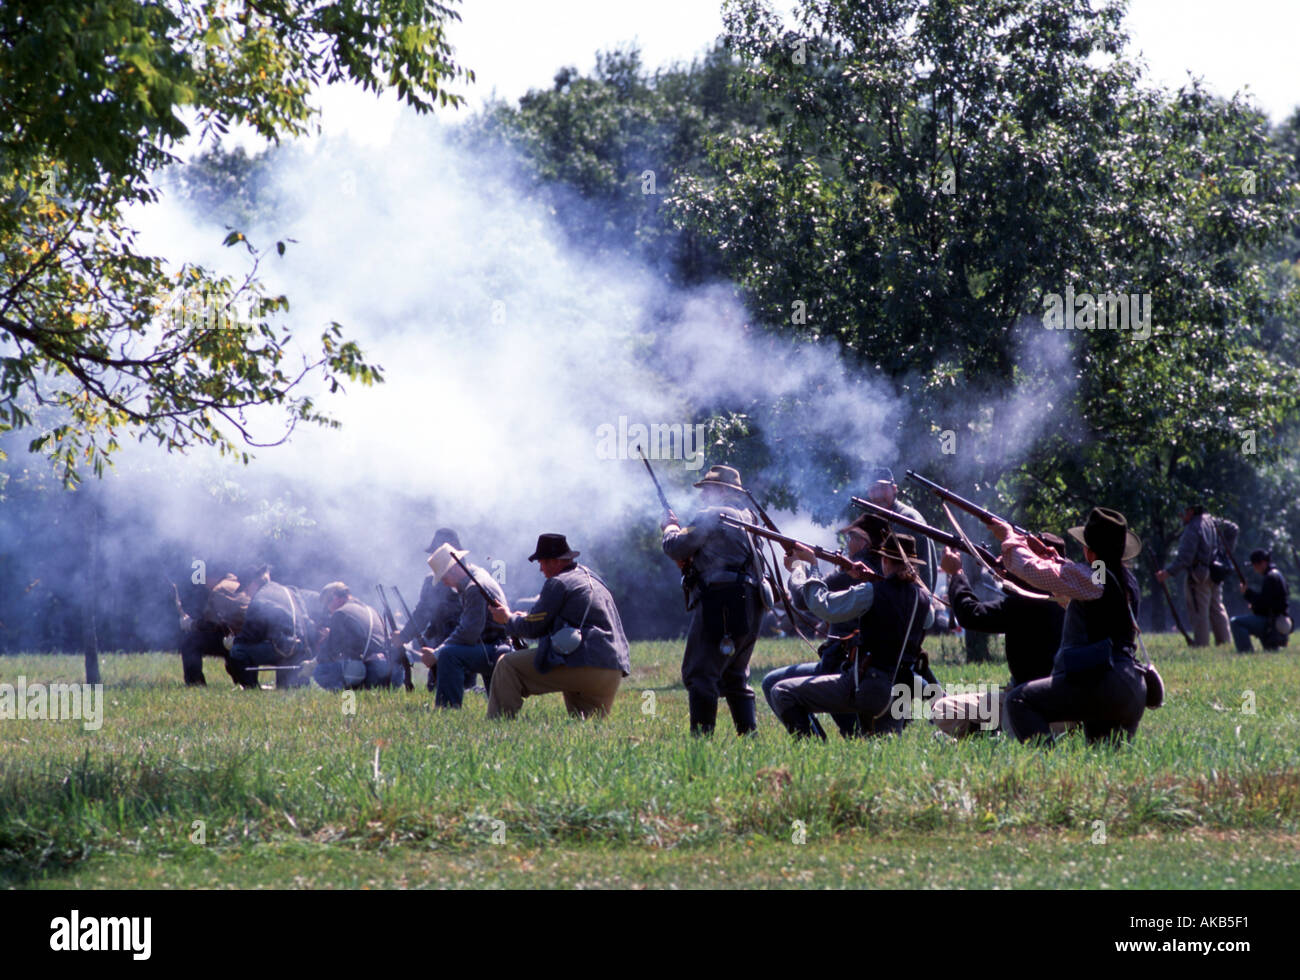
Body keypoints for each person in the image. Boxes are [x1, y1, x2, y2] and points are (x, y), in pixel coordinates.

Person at [998, 508, 1148, 744]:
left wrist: (1010, 539)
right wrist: (1053, 559)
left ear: (1089, 553)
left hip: (1105, 682)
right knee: (1104, 765)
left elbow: (1031, 571)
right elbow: (1078, 579)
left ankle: (1044, 767)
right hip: (1130, 688)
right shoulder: (1124, 578)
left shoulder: (1098, 578)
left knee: (1018, 700)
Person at [770, 532, 934, 739]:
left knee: (781, 692)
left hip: (869, 687)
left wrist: (806, 566)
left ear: (884, 560)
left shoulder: (871, 592)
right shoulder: (924, 600)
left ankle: (811, 750)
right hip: (901, 690)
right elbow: (919, 616)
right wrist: (874, 581)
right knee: (883, 755)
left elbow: (823, 606)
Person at [661, 464, 765, 735]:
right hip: (751, 601)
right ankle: (749, 735)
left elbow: (676, 547)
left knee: (700, 673)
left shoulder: (711, 515)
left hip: (722, 600)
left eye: (707, 489)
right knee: (735, 675)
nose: (703, 495)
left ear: (721, 490)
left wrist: (670, 527)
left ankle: (701, 740)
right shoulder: (749, 516)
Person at [930, 536, 1067, 737]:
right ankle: (992, 733)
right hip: (1072, 706)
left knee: (943, 710)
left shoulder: (1027, 603)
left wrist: (957, 573)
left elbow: (970, 615)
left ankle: (992, 734)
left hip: (1031, 704)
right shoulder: (1074, 598)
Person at [486, 533, 631, 719]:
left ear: (555, 562)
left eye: (543, 562)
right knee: (586, 730)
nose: (541, 569)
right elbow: (551, 619)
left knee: (507, 665)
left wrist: (507, 619)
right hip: (612, 668)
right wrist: (525, 618)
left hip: (584, 663)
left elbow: (532, 629)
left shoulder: (557, 583)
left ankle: (498, 727)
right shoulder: (592, 578)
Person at [761, 513, 878, 738]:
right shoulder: (868, 571)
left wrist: (799, 568)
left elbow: (802, 600)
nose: (846, 544)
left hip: (842, 666)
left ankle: (812, 744)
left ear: (864, 543)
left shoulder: (857, 571)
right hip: (852, 663)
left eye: (851, 537)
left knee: (772, 684)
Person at [422, 542, 511, 708]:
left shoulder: (473, 588)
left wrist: (437, 653)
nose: (445, 583)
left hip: (493, 650)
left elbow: (468, 633)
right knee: (499, 710)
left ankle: (447, 709)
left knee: (449, 655)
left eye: (444, 577)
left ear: (455, 568)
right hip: (492, 647)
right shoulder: (476, 576)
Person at [391, 528, 466, 691]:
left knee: (457, 687)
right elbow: (423, 613)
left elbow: (423, 614)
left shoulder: (470, 578)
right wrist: (404, 636)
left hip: (460, 642)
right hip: (442, 642)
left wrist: (404, 636)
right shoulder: (433, 581)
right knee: (437, 688)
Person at [1156, 504, 1237, 647]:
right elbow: (1233, 528)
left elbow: (1185, 558)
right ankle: (1225, 643)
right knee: (1217, 608)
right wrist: (1224, 554)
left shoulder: (1192, 527)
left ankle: (1201, 645)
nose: (1181, 515)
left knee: (1199, 611)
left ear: (1192, 511)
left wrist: (1167, 572)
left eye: (1183, 511)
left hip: (1199, 575)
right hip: (1215, 572)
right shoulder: (1211, 520)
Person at [229, 564, 318, 690]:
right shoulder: (291, 591)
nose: (246, 593)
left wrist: (234, 641)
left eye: (246, 589)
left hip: (283, 649)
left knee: (238, 651)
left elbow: (250, 636)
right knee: (287, 688)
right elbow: (307, 623)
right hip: (301, 650)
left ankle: (251, 688)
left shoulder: (259, 599)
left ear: (253, 584)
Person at [862, 467, 937, 591]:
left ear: (894, 489)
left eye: (882, 488)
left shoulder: (910, 518)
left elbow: (925, 570)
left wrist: (922, 603)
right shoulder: (875, 521)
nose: (878, 494)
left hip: (911, 603)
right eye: (873, 489)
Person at [312, 582, 399, 689]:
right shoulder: (372, 611)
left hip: (369, 672)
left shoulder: (340, 613)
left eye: (327, 605)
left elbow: (330, 652)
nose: (328, 610)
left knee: (320, 671)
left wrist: (313, 662)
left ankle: (347, 693)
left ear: (335, 598)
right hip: (388, 673)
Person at [177, 571, 249, 686]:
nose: (205, 585)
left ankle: (195, 685)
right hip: (245, 636)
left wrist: (190, 624)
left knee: (190, 643)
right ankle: (244, 683)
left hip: (237, 640)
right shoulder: (236, 583)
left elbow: (210, 624)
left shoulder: (219, 590)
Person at [1231, 549, 1292, 652]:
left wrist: (1247, 593)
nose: (1254, 569)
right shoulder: (1276, 575)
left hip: (1273, 622)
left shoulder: (1270, 577)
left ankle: (1246, 652)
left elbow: (1264, 605)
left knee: (1236, 622)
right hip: (1280, 621)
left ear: (1263, 563)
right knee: (1271, 651)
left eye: (1255, 565)